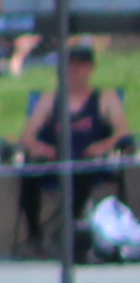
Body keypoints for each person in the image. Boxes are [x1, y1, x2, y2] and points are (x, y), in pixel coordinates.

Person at [15, 44, 124, 261]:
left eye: (81, 65)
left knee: (83, 170)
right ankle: (35, 236)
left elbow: (123, 134)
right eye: (71, 65)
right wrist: (43, 149)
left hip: (89, 162)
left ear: (91, 68)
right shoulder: (50, 100)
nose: (75, 70)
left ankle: (72, 232)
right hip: (56, 161)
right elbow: (27, 137)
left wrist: (103, 146)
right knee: (29, 174)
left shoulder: (105, 98)